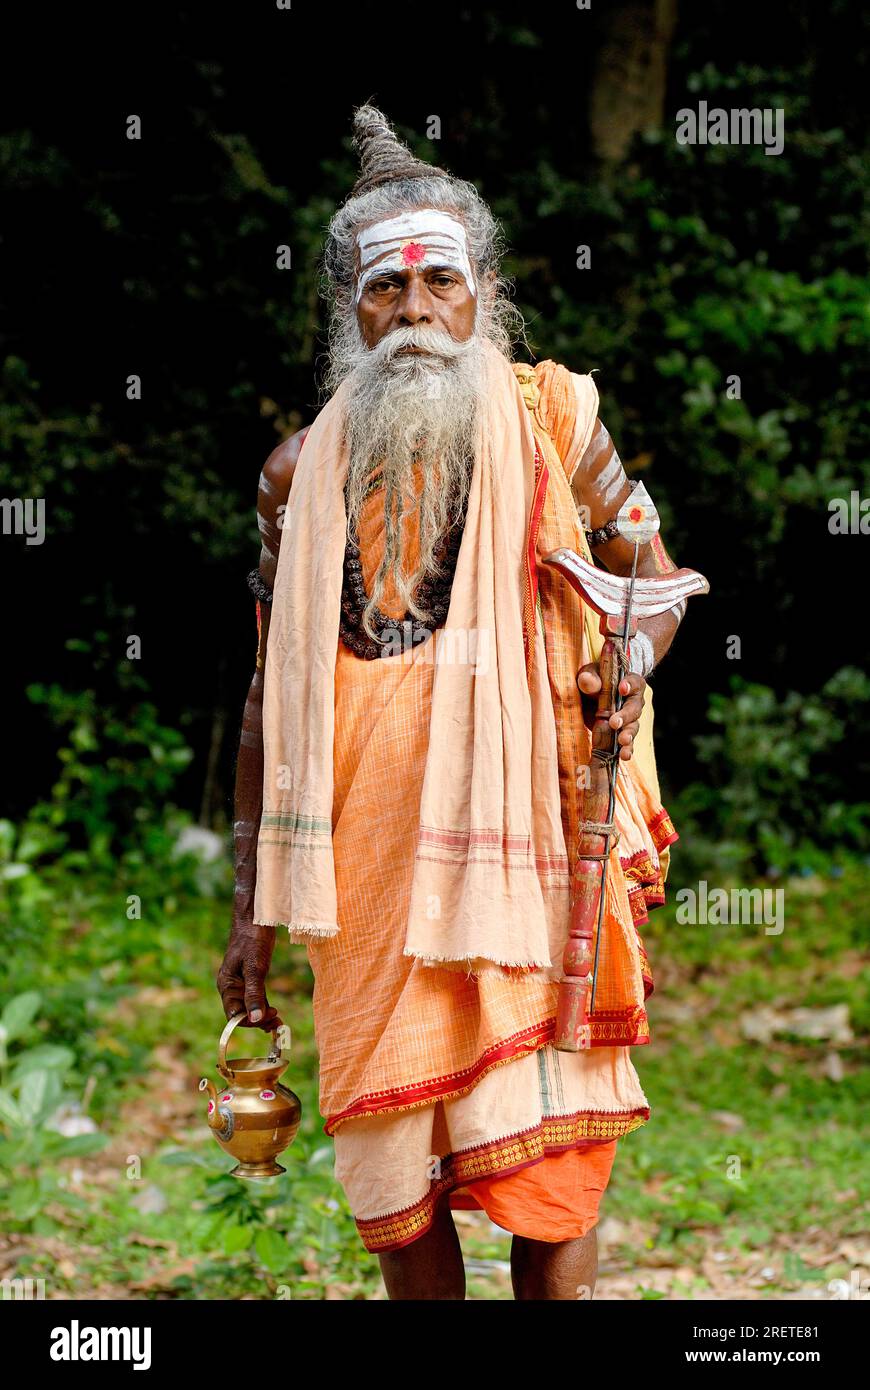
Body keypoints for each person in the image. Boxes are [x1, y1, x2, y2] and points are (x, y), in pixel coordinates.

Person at [218, 105, 687, 1300]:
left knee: (557, 1156)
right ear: (348, 310)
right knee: (393, 1183)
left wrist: (628, 656)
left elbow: (656, 577)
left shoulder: (556, 422)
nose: (415, 310)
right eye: (387, 288)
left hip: (536, 859)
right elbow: (267, 699)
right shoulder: (292, 476)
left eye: (441, 279)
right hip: (360, 878)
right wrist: (248, 921)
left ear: (485, 294)